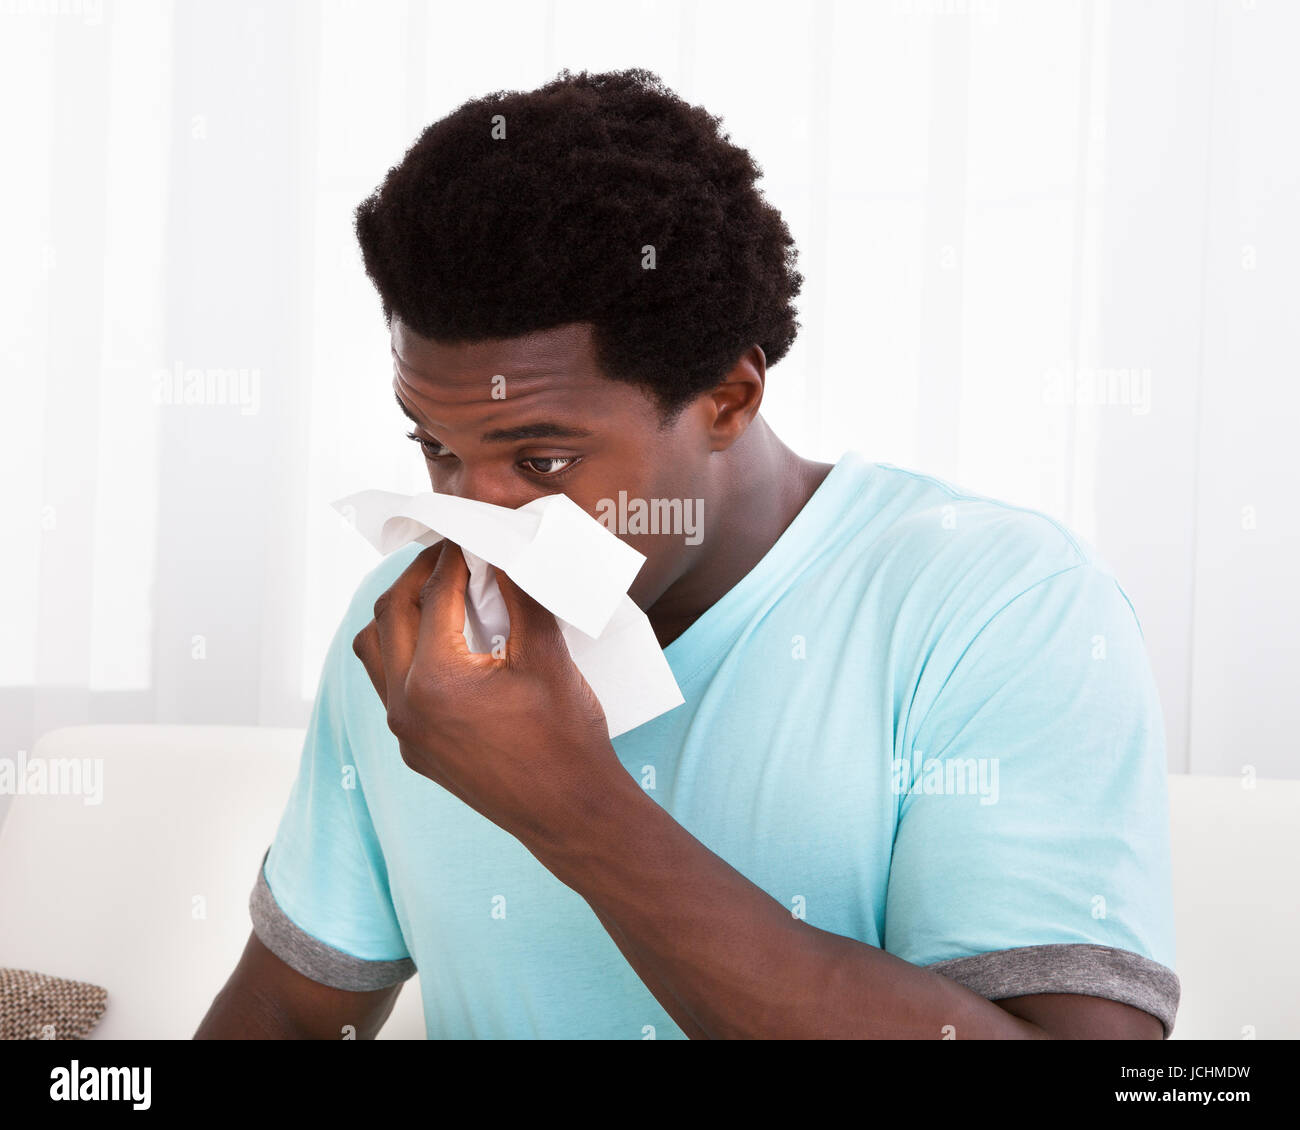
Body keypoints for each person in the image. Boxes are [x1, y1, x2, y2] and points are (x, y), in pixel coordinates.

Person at [196, 68, 1178, 1040]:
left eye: (541, 458)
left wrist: (571, 803)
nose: (473, 513)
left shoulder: (997, 606)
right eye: (437, 448)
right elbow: (287, 1010)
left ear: (727, 399)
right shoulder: (414, 637)